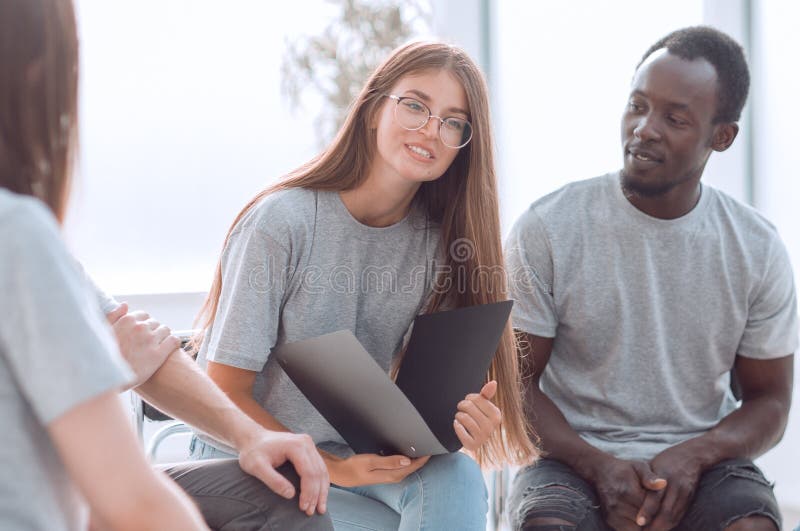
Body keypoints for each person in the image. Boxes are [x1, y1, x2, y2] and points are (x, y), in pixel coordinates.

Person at [0, 0, 331, 529]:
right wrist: (111, 376)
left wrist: (252, 435)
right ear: (39, 70)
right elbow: (132, 502)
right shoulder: (17, 234)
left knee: (278, 487)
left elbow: (140, 344)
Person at [189, 41, 538, 530]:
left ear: (465, 141)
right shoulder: (282, 223)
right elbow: (222, 393)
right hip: (244, 453)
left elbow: (405, 404)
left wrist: (463, 422)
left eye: (452, 121)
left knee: (456, 476)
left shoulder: (437, 246)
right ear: (375, 109)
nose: (430, 131)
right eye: (415, 105)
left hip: (352, 456)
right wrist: (334, 470)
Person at [505, 26, 797, 531]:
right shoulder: (548, 226)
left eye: (675, 118)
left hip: (706, 460)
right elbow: (515, 383)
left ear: (721, 137)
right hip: (568, 457)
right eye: (637, 105)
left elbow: (770, 401)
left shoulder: (756, 246)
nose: (644, 128)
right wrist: (598, 466)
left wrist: (695, 455)